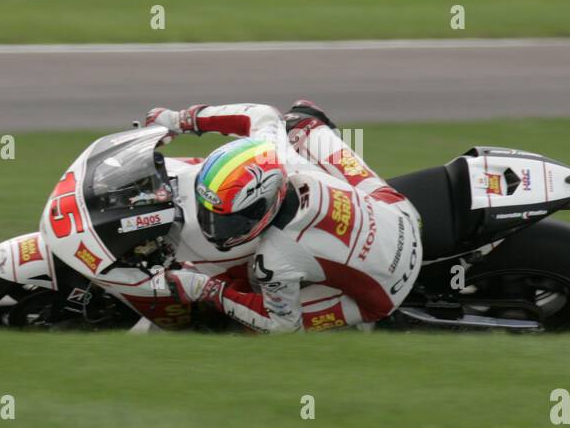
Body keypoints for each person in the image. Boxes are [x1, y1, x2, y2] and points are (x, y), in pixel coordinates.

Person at [141, 101, 423, 333]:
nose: (216, 228)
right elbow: (263, 115)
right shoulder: (279, 157)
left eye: (230, 221)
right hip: (399, 211)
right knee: (301, 119)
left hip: (387, 290)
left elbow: (282, 325)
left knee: (253, 323)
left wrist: (208, 289)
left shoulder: (275, 259)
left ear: (263, 206)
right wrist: (180, 120)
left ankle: (364, 326)